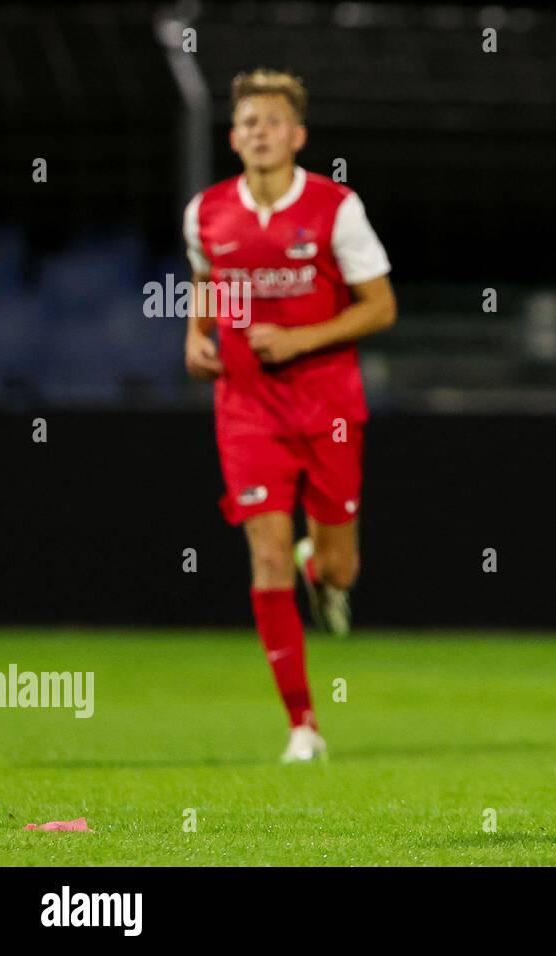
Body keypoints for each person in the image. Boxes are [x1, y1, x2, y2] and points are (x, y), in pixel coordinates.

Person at [183, 69, 395, 762]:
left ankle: (324, 569)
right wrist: (196, 335)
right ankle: (303, 724)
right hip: (247, 409)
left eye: (272, 122)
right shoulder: (206, 211)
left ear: (297, 136)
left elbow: (380, 307)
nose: (259, 133)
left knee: (339, 568)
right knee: (267, 556)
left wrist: (300, 339)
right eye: (247, 123)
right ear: (233, 136)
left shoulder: (336, 207)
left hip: (330, 408)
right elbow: (207, 283)